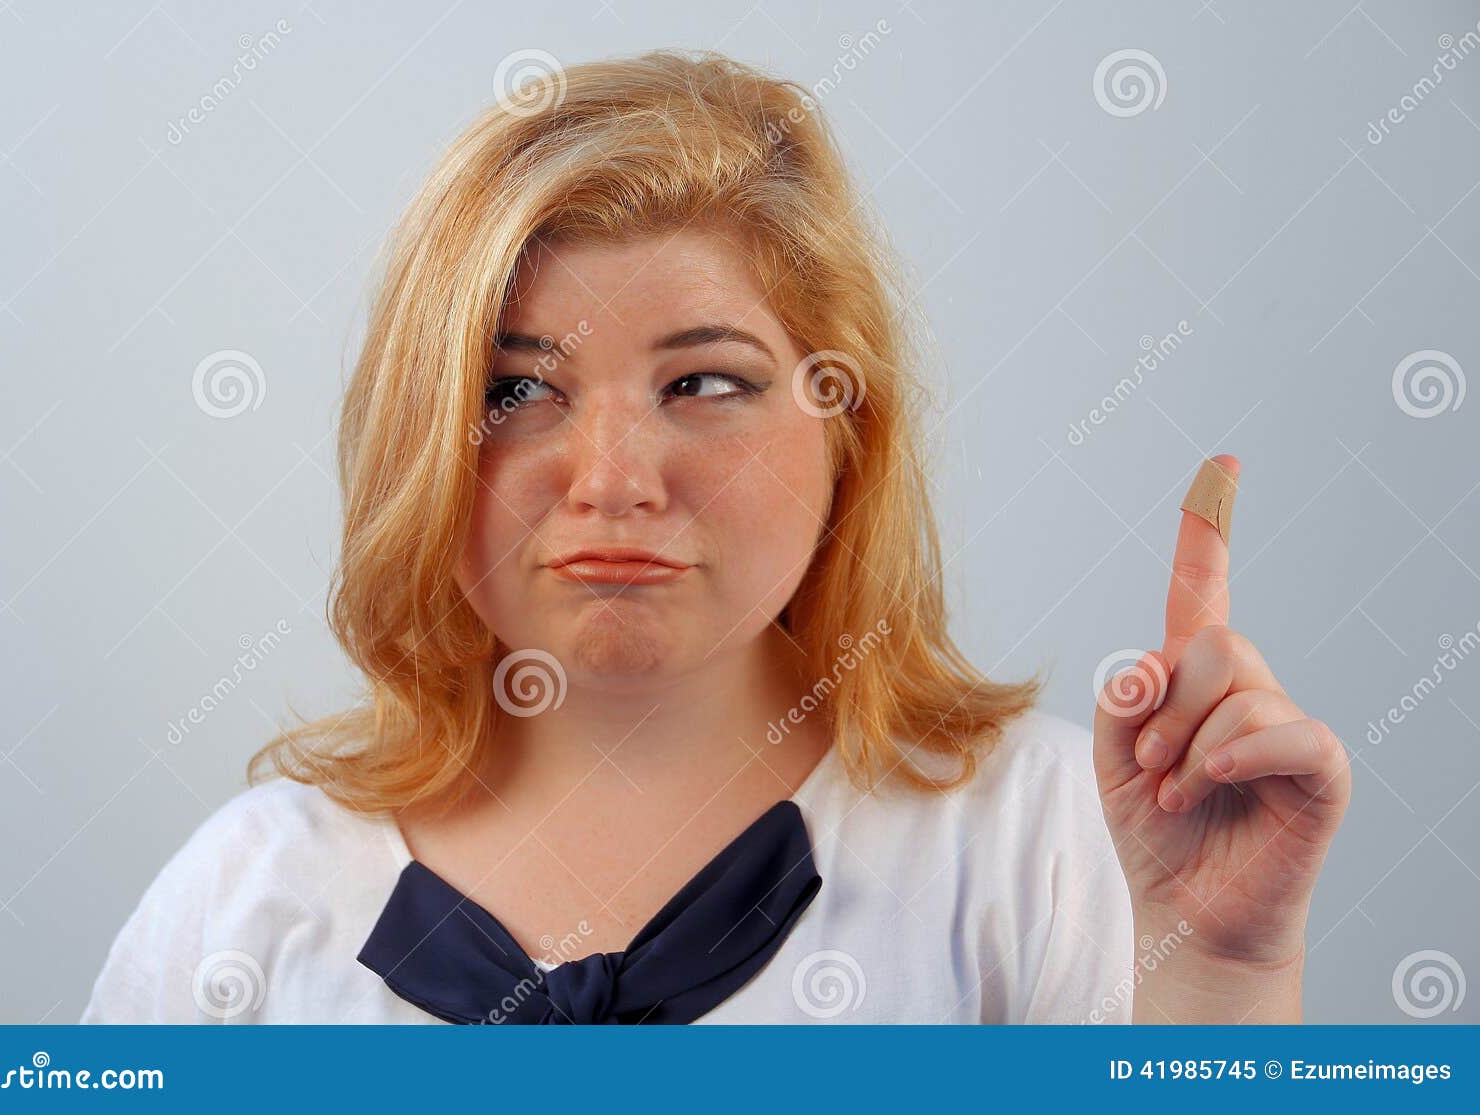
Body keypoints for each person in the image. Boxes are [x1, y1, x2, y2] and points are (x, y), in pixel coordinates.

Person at [80, 50, 1348, 1025]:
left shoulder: (1052, 841)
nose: (616, 480)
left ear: (848, 423)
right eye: (513, 391)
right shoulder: (237, 901)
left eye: (703, 384)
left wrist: (1222, 971)